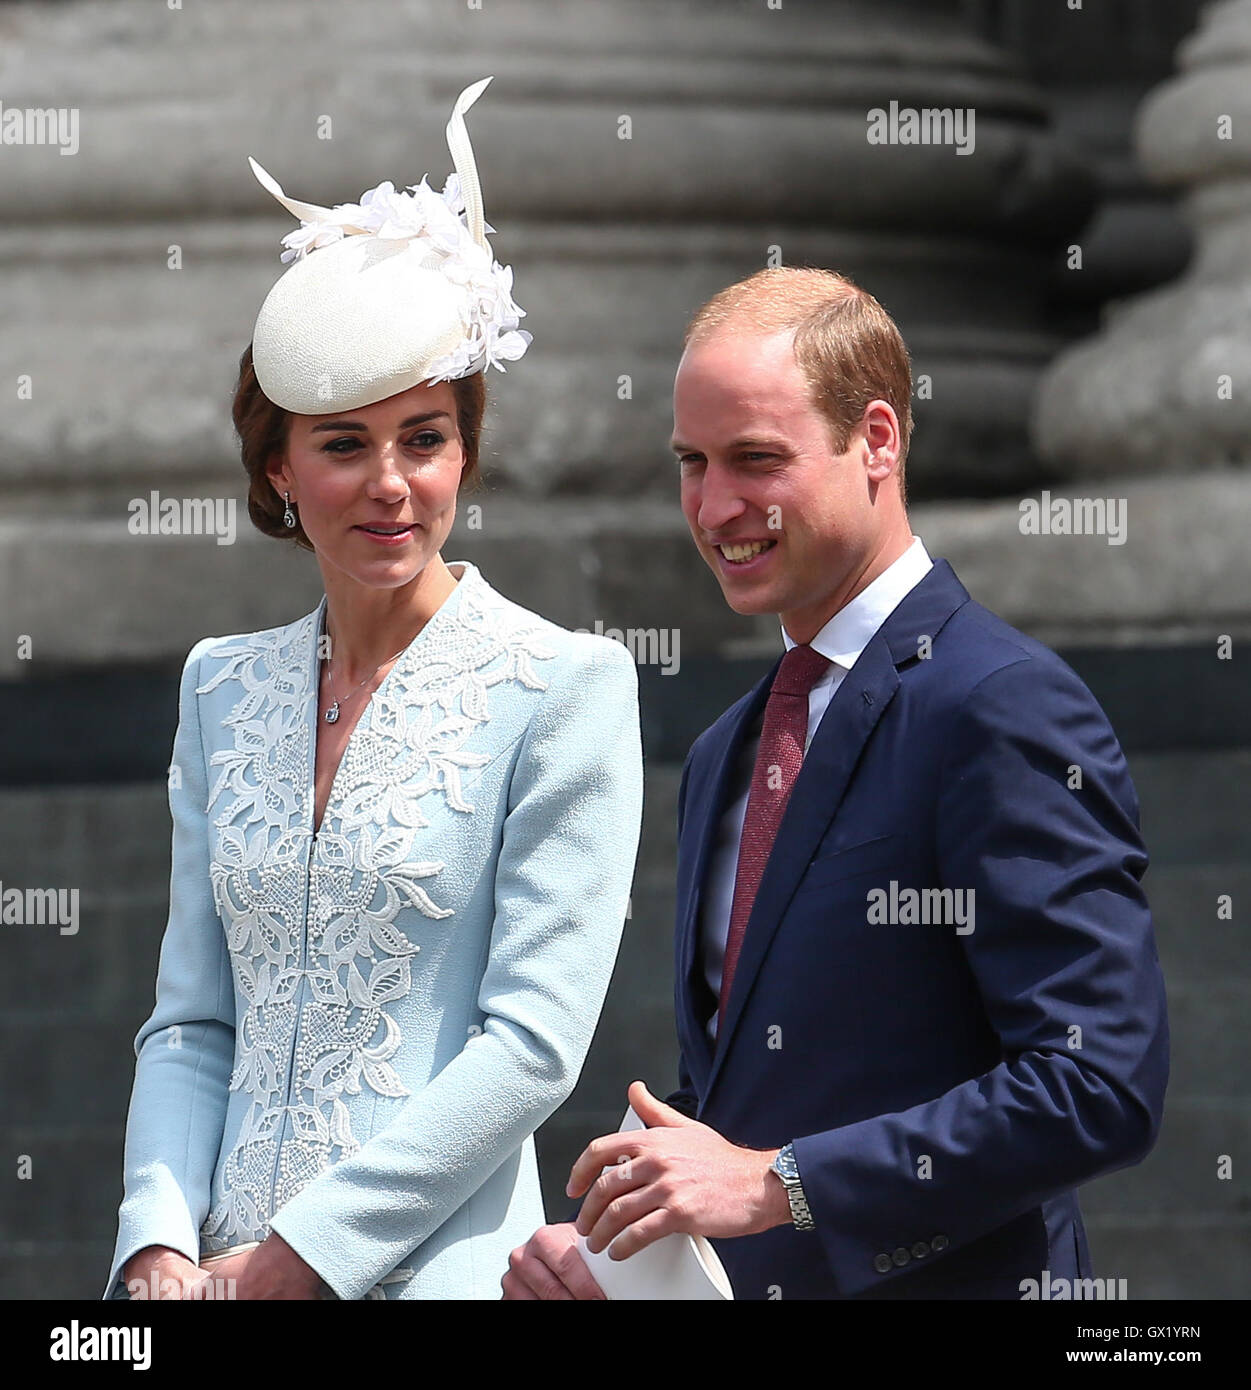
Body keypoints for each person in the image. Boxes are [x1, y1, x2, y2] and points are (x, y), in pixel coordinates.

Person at [503, 266, 1168, 1300]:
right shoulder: (730, 744)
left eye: (757, 459)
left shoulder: (1004, 705)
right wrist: (617, 1260)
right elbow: (746, 1110)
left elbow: (1098, 1084)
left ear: (880, 441)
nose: (717, 506)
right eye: (692, 462)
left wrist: (780, 1182)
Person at [105, 78, 643, 1301]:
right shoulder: (219, 688)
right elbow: (191, 1022)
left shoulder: (569, 685)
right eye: (345, 443)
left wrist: (295, 1266)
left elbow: (529, 1050)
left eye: (427, 436)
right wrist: (154, 1246)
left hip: (430, 1278)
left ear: (465, 449)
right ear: (280, 468)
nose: (391, 481)